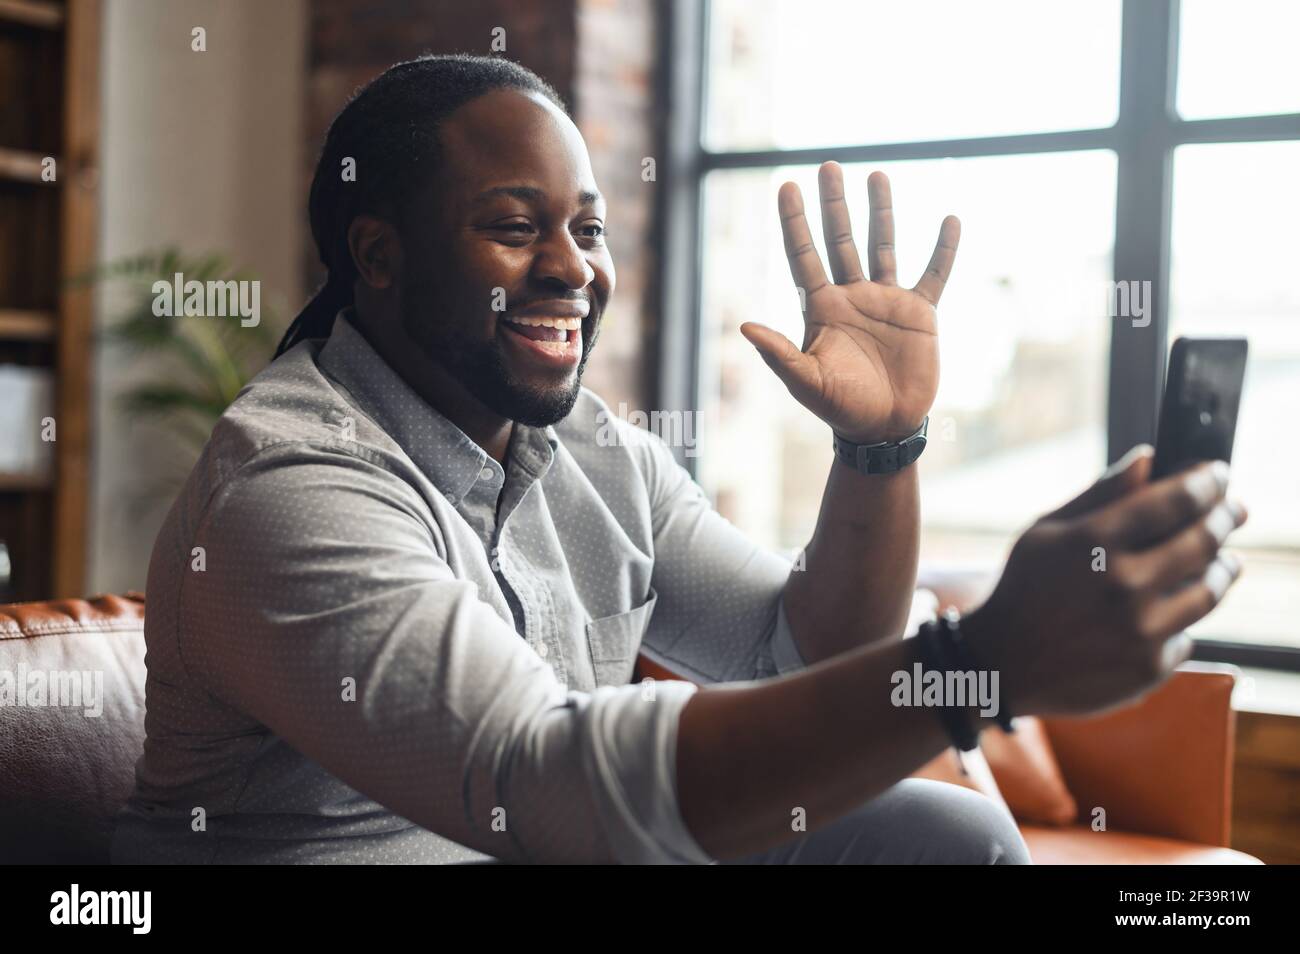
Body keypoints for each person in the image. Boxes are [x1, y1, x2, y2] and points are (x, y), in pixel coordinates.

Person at [111, 54, 1246, 865]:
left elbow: (796, 653)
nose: (572, 268)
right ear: (379, 254)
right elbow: (538, 785)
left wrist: (877, 446)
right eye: (514, 225)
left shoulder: (594, 453)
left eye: (588, 228)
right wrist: (980, 661)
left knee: (940, 833)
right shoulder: (288, 489)